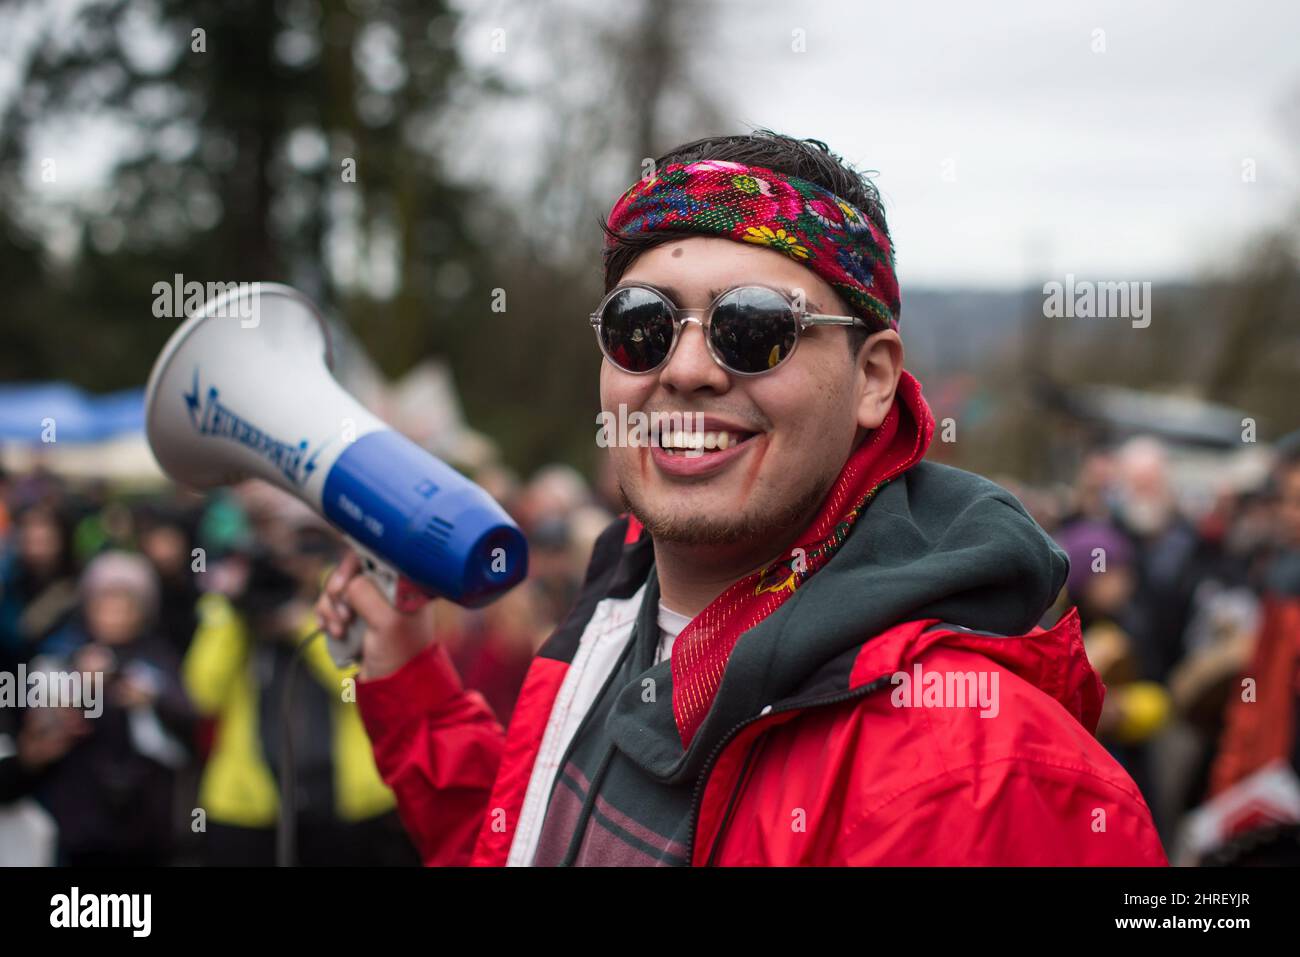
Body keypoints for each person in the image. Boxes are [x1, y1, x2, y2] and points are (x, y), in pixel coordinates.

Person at [317, 131, 1167, 866]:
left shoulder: (983, 772)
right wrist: (408, 679)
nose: (684, 368)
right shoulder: (616, 610)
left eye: (755, 327)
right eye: (642, 325)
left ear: (873, 378)